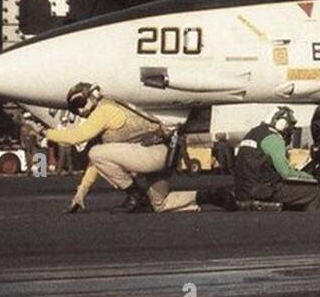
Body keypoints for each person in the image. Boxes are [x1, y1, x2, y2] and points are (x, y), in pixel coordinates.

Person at [46, 82, 223, 214]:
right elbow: (97, 163)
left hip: (152, 154)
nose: (79, 112)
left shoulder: (103, 111)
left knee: (95, 152)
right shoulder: (110, 104)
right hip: (161, 153)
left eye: (77, 106)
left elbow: (76, 138)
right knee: (160, 204)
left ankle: (135, 195)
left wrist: (46, 132)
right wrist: (81, 193)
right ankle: (208, 196)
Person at [232, 107, 320, 211]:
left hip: (242, 190)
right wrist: (311, 178)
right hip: (262, 190)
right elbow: (286, 173)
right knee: (313, 192)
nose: (289, 131)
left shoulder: (254, 132)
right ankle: (318, 220)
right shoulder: (273, 138)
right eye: (289, 126)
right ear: (281, 123)